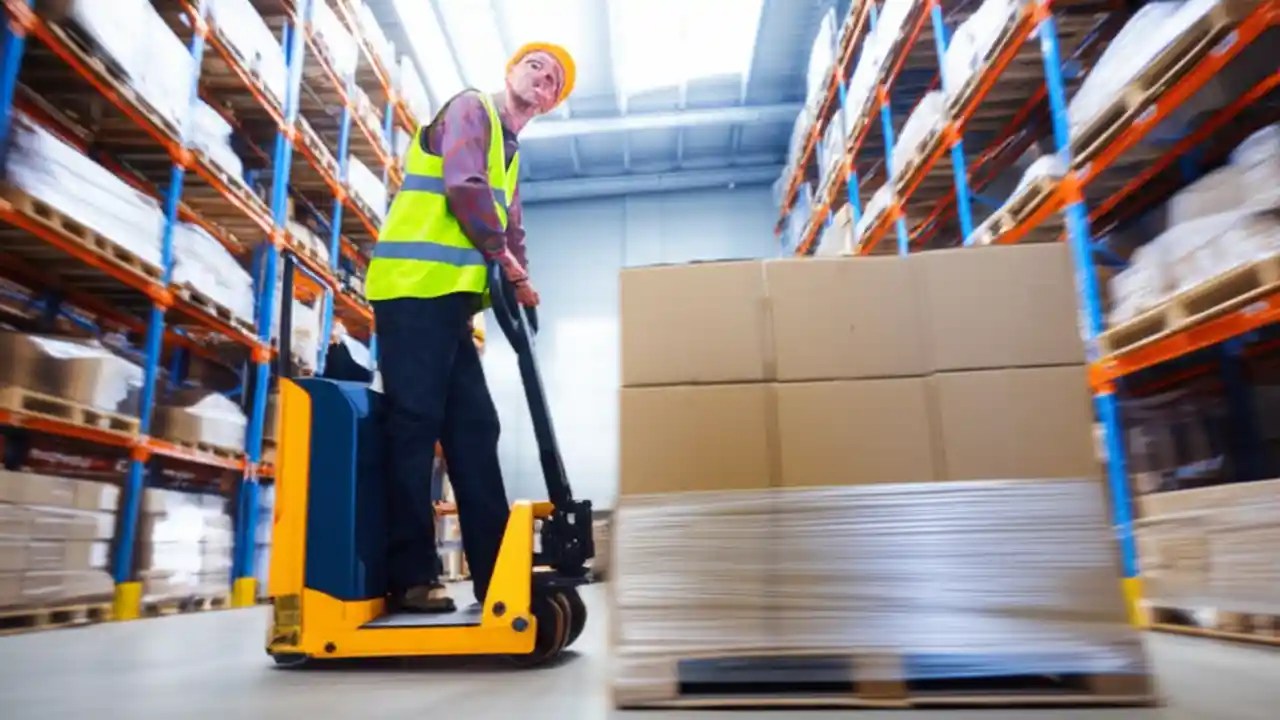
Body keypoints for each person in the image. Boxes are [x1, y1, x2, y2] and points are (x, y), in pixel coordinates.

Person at [364, 42, 576, 613]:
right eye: (535, 66)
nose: (542, 78)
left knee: (476, 429)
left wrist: (523, 281)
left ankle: (494, 579)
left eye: (553, 79)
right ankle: (409, 576)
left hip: (453, 305)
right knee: (415, 426)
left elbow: (512, 228)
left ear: (550, 103)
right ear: (511, 72)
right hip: (411, 290)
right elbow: (463, 187)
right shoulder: (469, 109)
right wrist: (504, 261)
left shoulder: (510, 157)